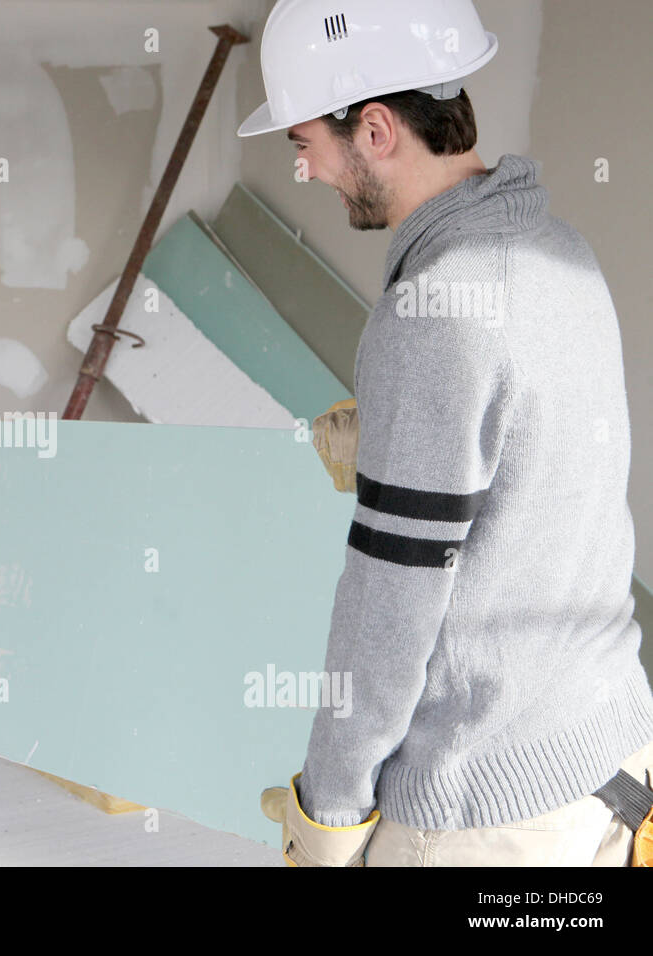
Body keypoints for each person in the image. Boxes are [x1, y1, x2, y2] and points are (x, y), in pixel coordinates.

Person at [243, 0, 653, 865]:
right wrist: (393, 443)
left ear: (379, 128)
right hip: (606, 760)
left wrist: (329, 812)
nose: (306, 169)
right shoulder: (557, 250)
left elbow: (388, 609)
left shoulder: (430, 316)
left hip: (480, 813)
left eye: (304, 141)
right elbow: (546, 477)